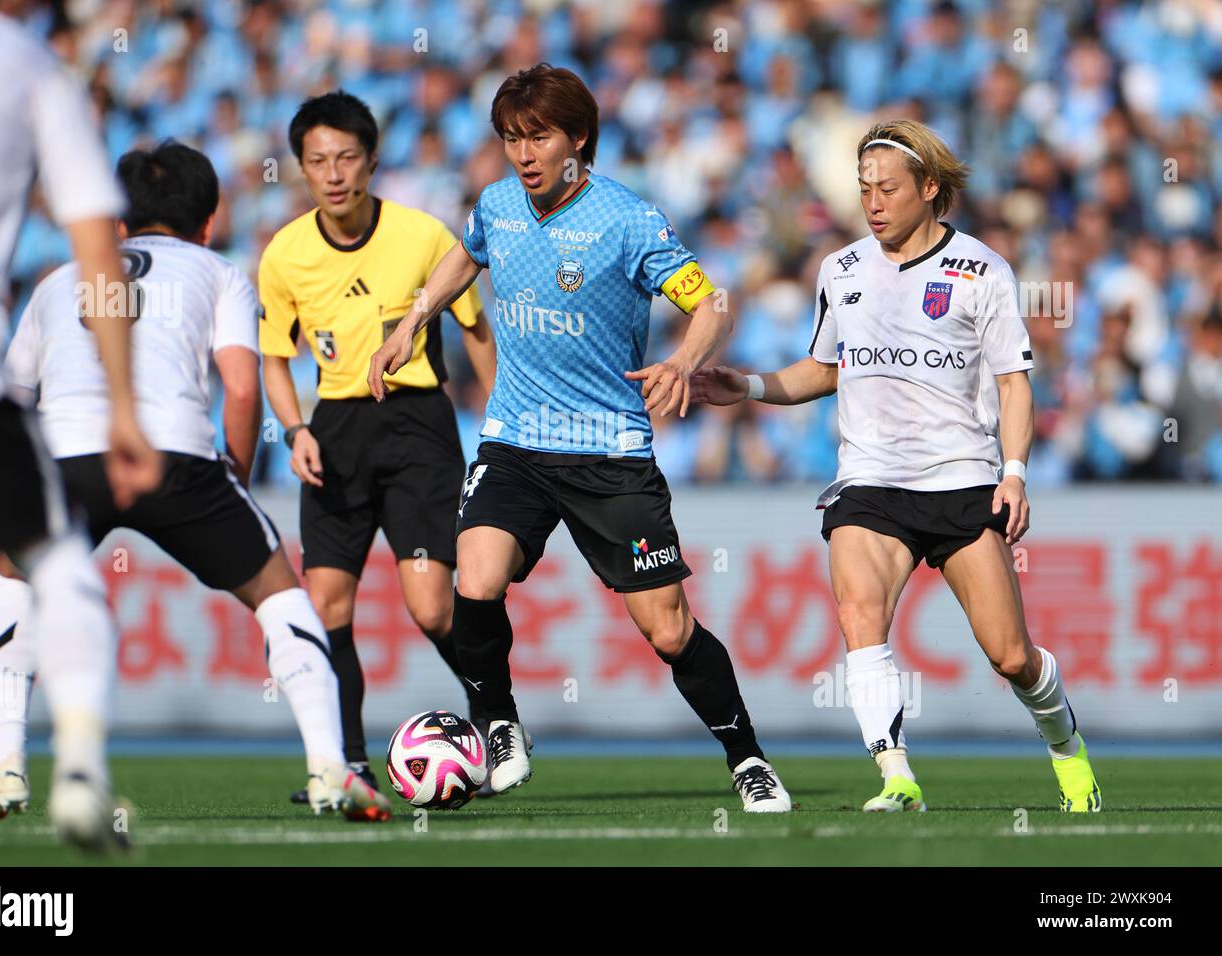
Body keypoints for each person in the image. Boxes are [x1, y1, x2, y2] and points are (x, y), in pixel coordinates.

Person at [0, 142, 391, 824]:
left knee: (14, 585)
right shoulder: (219, 270)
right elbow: (238, 383)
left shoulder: (58, 282)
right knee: (278, 594)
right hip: (173, 455)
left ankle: (5, 769)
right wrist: (232, 470)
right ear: (208, 221)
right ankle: (329, 768)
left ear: (117, 224)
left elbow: (4, 415)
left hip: (65, 460)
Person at [368, 64, 793, 812]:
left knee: (667, 631)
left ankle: (747, 757)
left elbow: (711, 302)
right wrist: (413, 320)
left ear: (579, 138)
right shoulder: (497, 205)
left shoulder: (627, 220)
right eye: (511, 138)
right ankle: (498, 722)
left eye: (539, 137)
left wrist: (682, 361)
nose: (524, 154)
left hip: (608, 453)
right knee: (475, 576)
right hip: (516, 441)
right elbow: (467, 255)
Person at [690, 119, 1102, 813]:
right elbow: (825, 371)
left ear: (929, 189)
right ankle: (897, 777)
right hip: (870, 481)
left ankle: (1065, 743)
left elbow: (1013, 383)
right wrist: (752, 387)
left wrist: (1015, 472)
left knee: (1010, 657)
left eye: (887, 189)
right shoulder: (842, 270)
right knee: (859, 614)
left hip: (961, 480)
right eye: (864, 189)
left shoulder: (981, 270)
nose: (873, 202)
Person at [0, 0, 162, 848]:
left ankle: (11, 763)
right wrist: (126, 407)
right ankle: (83, 776)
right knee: (58, 564)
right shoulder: (31, 66)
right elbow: (98, 242)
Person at [259, 92, 496, 803]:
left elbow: (477, 330)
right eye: (318, 161)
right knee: (326, 603)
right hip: (334, 431)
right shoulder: (286, 253)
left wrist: (502, 420)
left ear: (371, 161)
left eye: (347, 158)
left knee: (431, 609)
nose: (334, 174)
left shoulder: (423, 236)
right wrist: (295, 429)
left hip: (418, 425)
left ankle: (496, 723)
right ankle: (346, 765)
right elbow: (275, 356)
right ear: (301, 168)